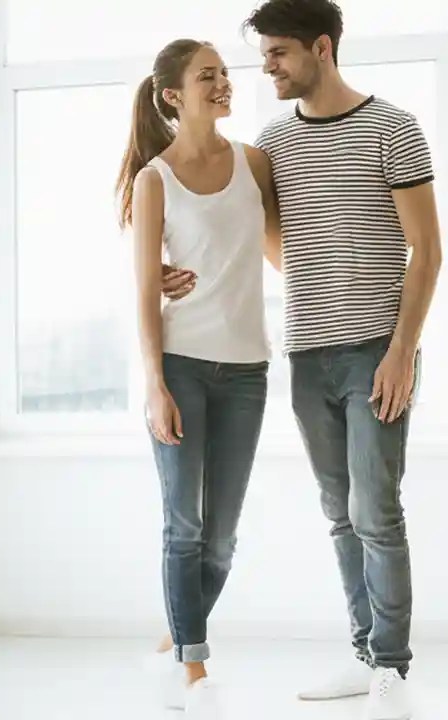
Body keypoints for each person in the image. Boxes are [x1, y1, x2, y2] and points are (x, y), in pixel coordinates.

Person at [165, 1, 443, 717]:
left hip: (378, 350)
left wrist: (401, 351)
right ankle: (363, 653)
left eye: (280, 53)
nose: (268, 68)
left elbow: (428, 250)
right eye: (264, 55)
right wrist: (168, 270)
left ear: (322, 47)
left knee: (376, 509)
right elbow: (227, 221)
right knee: (338, 511)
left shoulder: (394, 129)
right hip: (305, 353)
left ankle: (392, 666)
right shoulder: (270, 147)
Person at [115, 37, 281, 719]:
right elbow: (144, 293)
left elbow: (279, 253)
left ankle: (180, 628)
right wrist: (155, 384)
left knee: (222, 535)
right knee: (183, 526)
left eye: (224, 74)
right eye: (206, 76)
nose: (223, 84)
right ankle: (194, 661)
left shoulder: (253, 162)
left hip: (247, 369)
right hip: (180, 367)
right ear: (173, 96)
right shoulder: (154, 178)